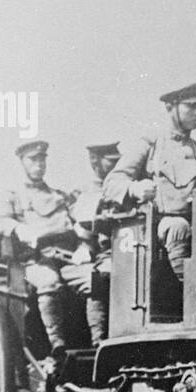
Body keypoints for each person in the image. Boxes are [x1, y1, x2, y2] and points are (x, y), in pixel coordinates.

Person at [103, 83, 196, 282]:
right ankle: (189, 290)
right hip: (159, 225)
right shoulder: (150, 145)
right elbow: (111, 183)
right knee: (178, 227)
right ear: (170, 108)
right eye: (191, 107)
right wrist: (134, 189)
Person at [0, 139, 78, 359]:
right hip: (33, 262)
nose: (39, 164)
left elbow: (75, 220)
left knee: (95, 280)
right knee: (49, 282)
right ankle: (57, 344)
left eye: (42, 159)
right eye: (33, 159)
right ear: (22, 162)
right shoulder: (13, 194)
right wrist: (18, 227)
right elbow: (1, 222)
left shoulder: (58, 194)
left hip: (67, 258)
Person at [64, 142, 121, 345]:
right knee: (99, 278)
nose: (117, 165)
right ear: (94, 161)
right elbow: (85, 231)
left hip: (120, 251)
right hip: (96, 256)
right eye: (111, 161)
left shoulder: (118, 188)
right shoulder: (86, 193)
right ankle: (99, 342)